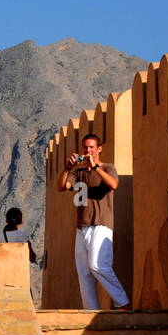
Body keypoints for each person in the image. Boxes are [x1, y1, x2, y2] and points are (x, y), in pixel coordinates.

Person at [55, 133, 131, 310]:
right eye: (85, 147)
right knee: (84, 273)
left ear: (99, 149)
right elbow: (61, 187)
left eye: (91, 147)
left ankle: (123, 303)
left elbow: (113, 184)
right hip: (82, 225)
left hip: (101, 223)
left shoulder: (108, 168)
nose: (88, 150)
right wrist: (67, 169)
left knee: (98, 265)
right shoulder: (79, 173)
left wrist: (95, 167)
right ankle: (90, 311)